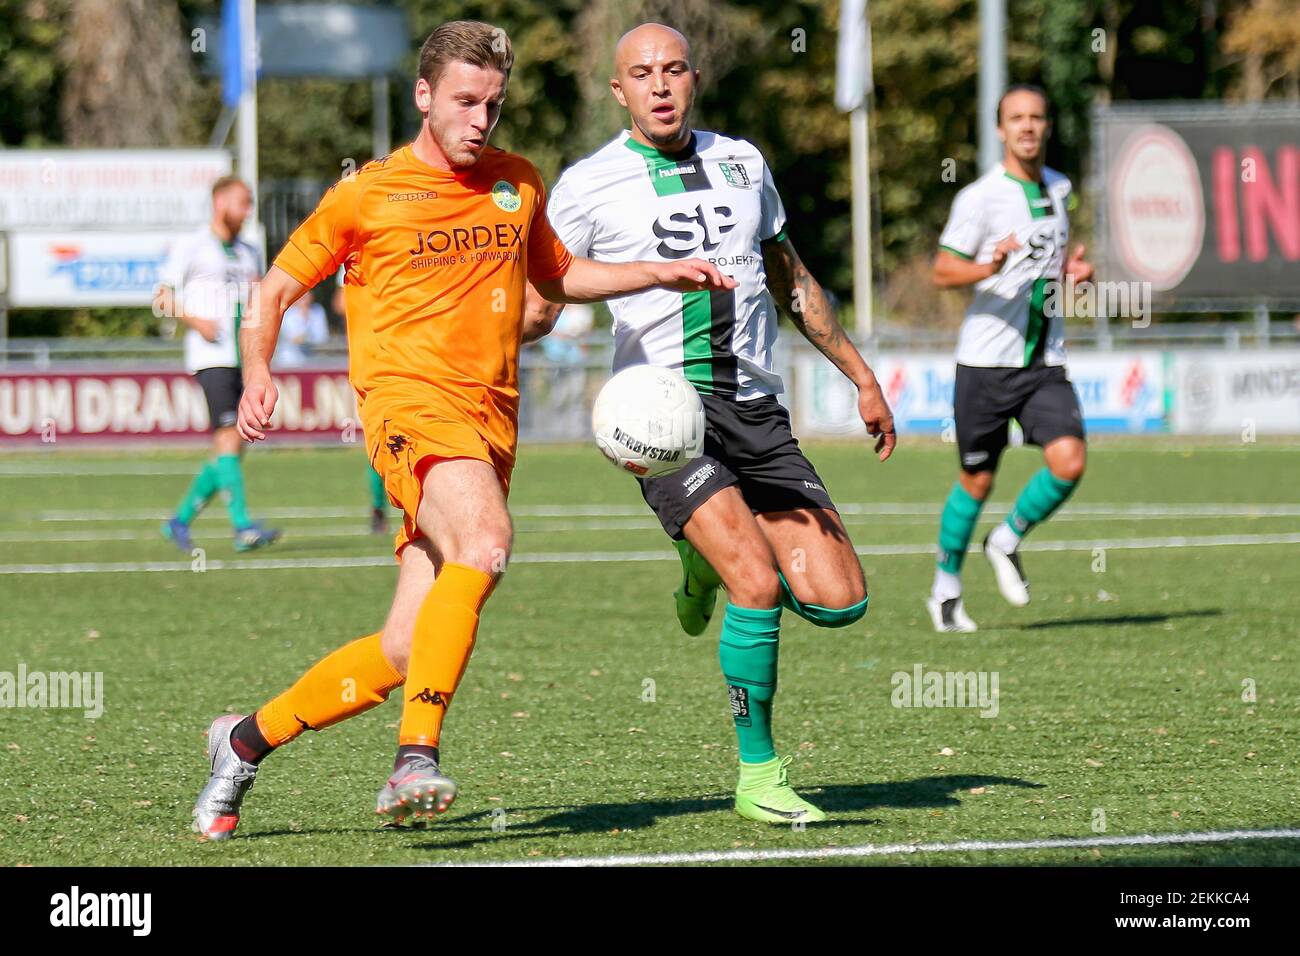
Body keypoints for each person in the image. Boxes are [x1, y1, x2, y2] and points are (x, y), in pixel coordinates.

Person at [190, 19, 735, 840]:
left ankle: (243, 742)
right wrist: (258, 372)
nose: (481, 119)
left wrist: (654, 270)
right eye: (465, 101)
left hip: (489, 423)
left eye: (494, 104)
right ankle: (415, 756)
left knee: (408, 649)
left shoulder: (519, 183)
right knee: (484, 540)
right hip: (407, 409)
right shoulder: (366, 194)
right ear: (424, 97)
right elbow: (269, 293)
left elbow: (558, 278)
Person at [534, 23, 896, 825]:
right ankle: (759, 772)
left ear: (693, 79)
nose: (659, 85)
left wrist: (862, 376)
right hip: (663, 415)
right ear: (618, 91)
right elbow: (539, 300)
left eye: (672, 69)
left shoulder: (743, 163)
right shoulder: (587, 184)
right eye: (641, 73)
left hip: (758, 408)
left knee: (839, 603)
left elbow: (791, 278)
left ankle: (698, 568)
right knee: (757, 584)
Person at [926, 84, 1093, 633]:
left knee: (1069, 461)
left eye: (1036, 117)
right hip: (985, 363)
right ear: (1001, 129)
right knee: (977, 480)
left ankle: (1007, 538)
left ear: (1047, 126)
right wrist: (988, 266)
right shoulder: (980, 197)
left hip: (1044, 360)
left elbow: (1051, 262)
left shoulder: (1061, 188)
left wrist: (1072, 276)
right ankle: (946, 587)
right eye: (1016, 118)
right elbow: (943, 271)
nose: (1027, 126)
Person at [156, 176, 280, 553]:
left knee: (232, 447)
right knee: (228, 436)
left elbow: (260, 297)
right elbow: (162, 298)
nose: (248, 212)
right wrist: (197, 321)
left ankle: (178, 521)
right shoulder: (192, 246)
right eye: (242, 203)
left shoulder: (248, 251)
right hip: (212, 358)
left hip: (243, 357)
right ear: (220, 202)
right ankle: (243, 528)